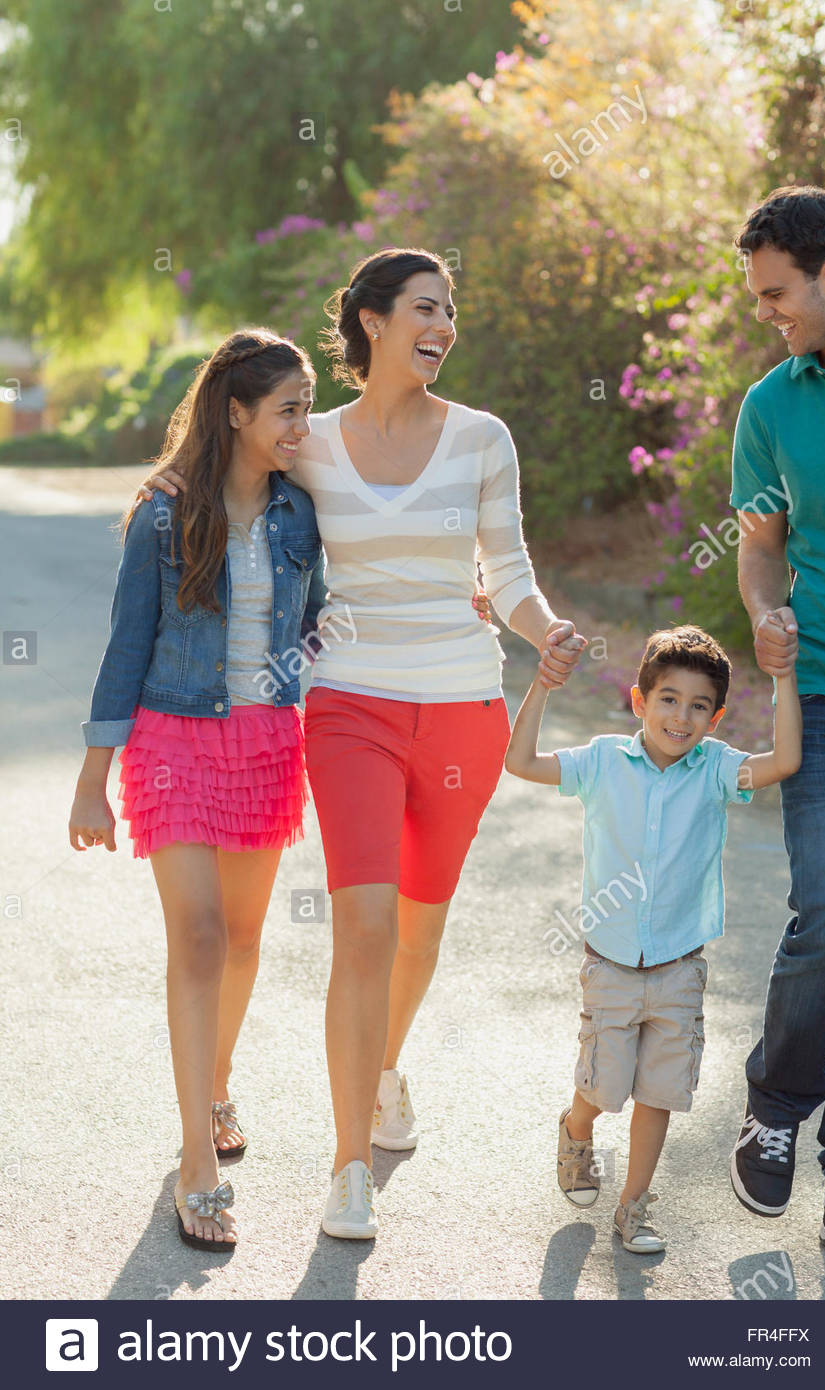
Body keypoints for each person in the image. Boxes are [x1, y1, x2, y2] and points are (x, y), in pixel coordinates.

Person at [138, 246, 584, 1240]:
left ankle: (384, 1070)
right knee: (365, 926)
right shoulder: (314, 442)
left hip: (464, 707)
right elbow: (233, 469)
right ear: (372, 322)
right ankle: (346, 1165)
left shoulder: (480, 438)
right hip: (349, 708)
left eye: (452, 312)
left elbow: (504, 567)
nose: (445, 325)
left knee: (420, 929)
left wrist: (539, 626)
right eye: (428, 307)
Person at [69, 330, 323, 1251]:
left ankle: (216, 1084)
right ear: (237, 413)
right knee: (201, 935)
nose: (305, 423)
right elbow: (124, 648)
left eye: (307, 405)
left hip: (266, 739)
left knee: (247, 937)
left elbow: (324, 618)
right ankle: (195, 1161)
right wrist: (93, 782)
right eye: (289, 408)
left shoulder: (303, 510)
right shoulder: (164, 516)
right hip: (174, 735)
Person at [505, 625, 801, 1252]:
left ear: (715, 717)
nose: (681, 715)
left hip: (679, 968)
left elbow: (785, 763)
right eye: (668, 699)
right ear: (639, 702)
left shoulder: (718, 770)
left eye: (699, 706)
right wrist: (542, 684)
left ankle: (633, 1207)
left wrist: (783, 676)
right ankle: (576, 1128)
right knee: (603, 1091)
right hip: (610, 965)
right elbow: (521, 762)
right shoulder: (602, 761)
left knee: (659, 1094)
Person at [729, 185, 825, 1251]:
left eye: (776, 296)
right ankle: (774, 1110)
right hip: (822, 692)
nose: (765, 315)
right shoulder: (772, 403)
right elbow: (761, 541)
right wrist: (765, 613)